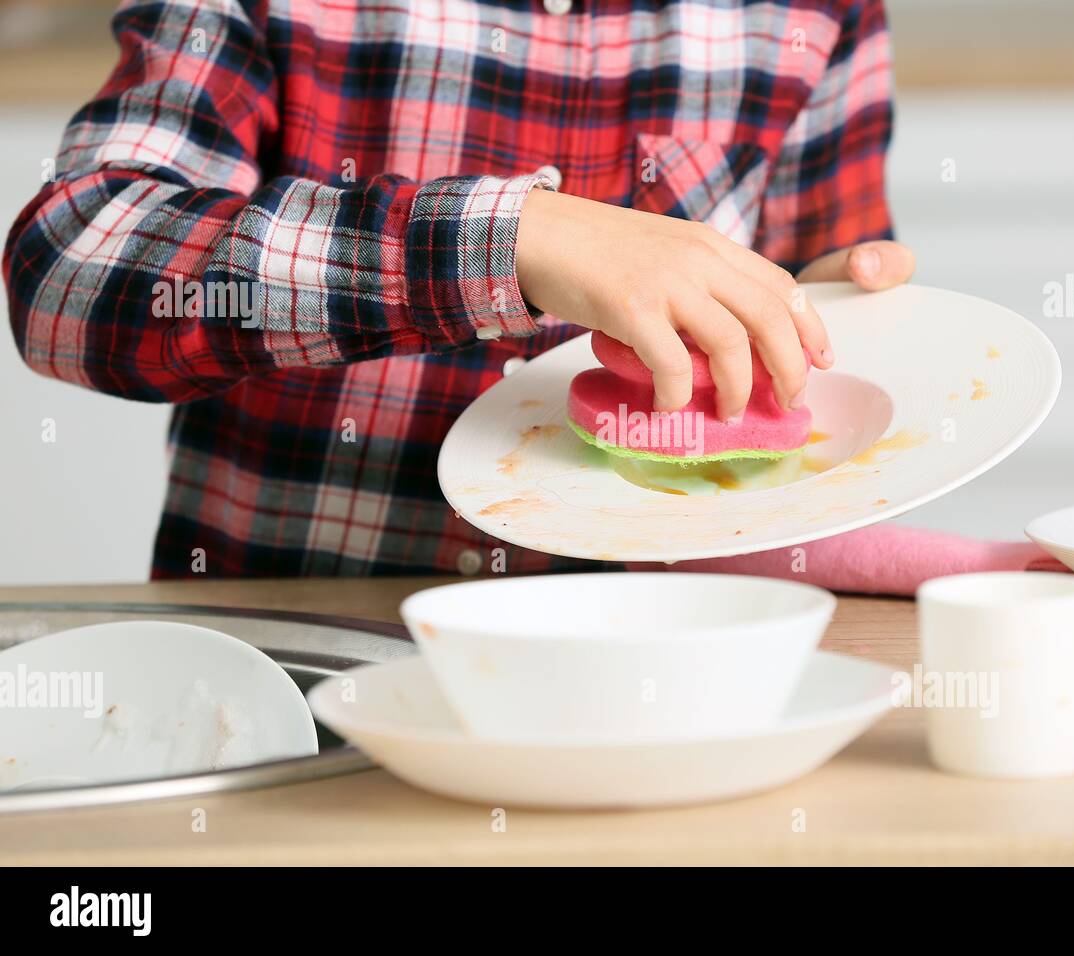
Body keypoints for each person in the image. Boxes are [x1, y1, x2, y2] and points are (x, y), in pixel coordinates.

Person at [4, 0, 914, 579]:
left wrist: (834, 313)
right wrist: (513, 238)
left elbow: (815, 312)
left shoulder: (823, 12)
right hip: (295, 659)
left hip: (656, 667)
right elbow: (68, 271)